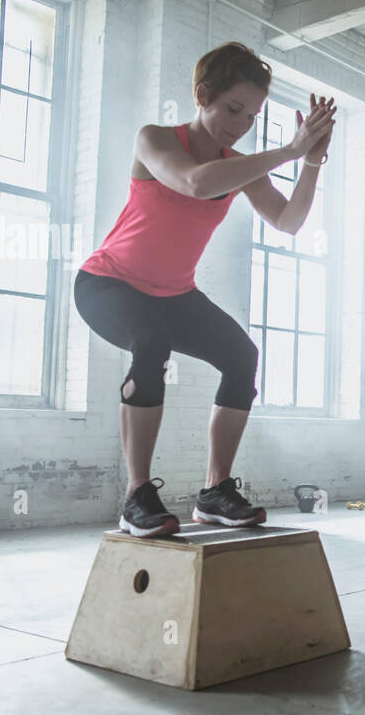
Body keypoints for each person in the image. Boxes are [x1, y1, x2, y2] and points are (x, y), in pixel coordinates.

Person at [74, 42, 336, 537]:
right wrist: (287, 150)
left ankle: (215, 491)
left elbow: (288, 221)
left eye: (252, 115)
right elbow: (194, 183)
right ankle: (136, 496)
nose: (240, 124)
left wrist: (311, 163)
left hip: (174, 294)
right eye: (233, 109)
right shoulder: (155, 140)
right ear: (202, 95)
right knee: (150, 343)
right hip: (108, 283)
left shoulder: (238, 165)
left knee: (242, 356)